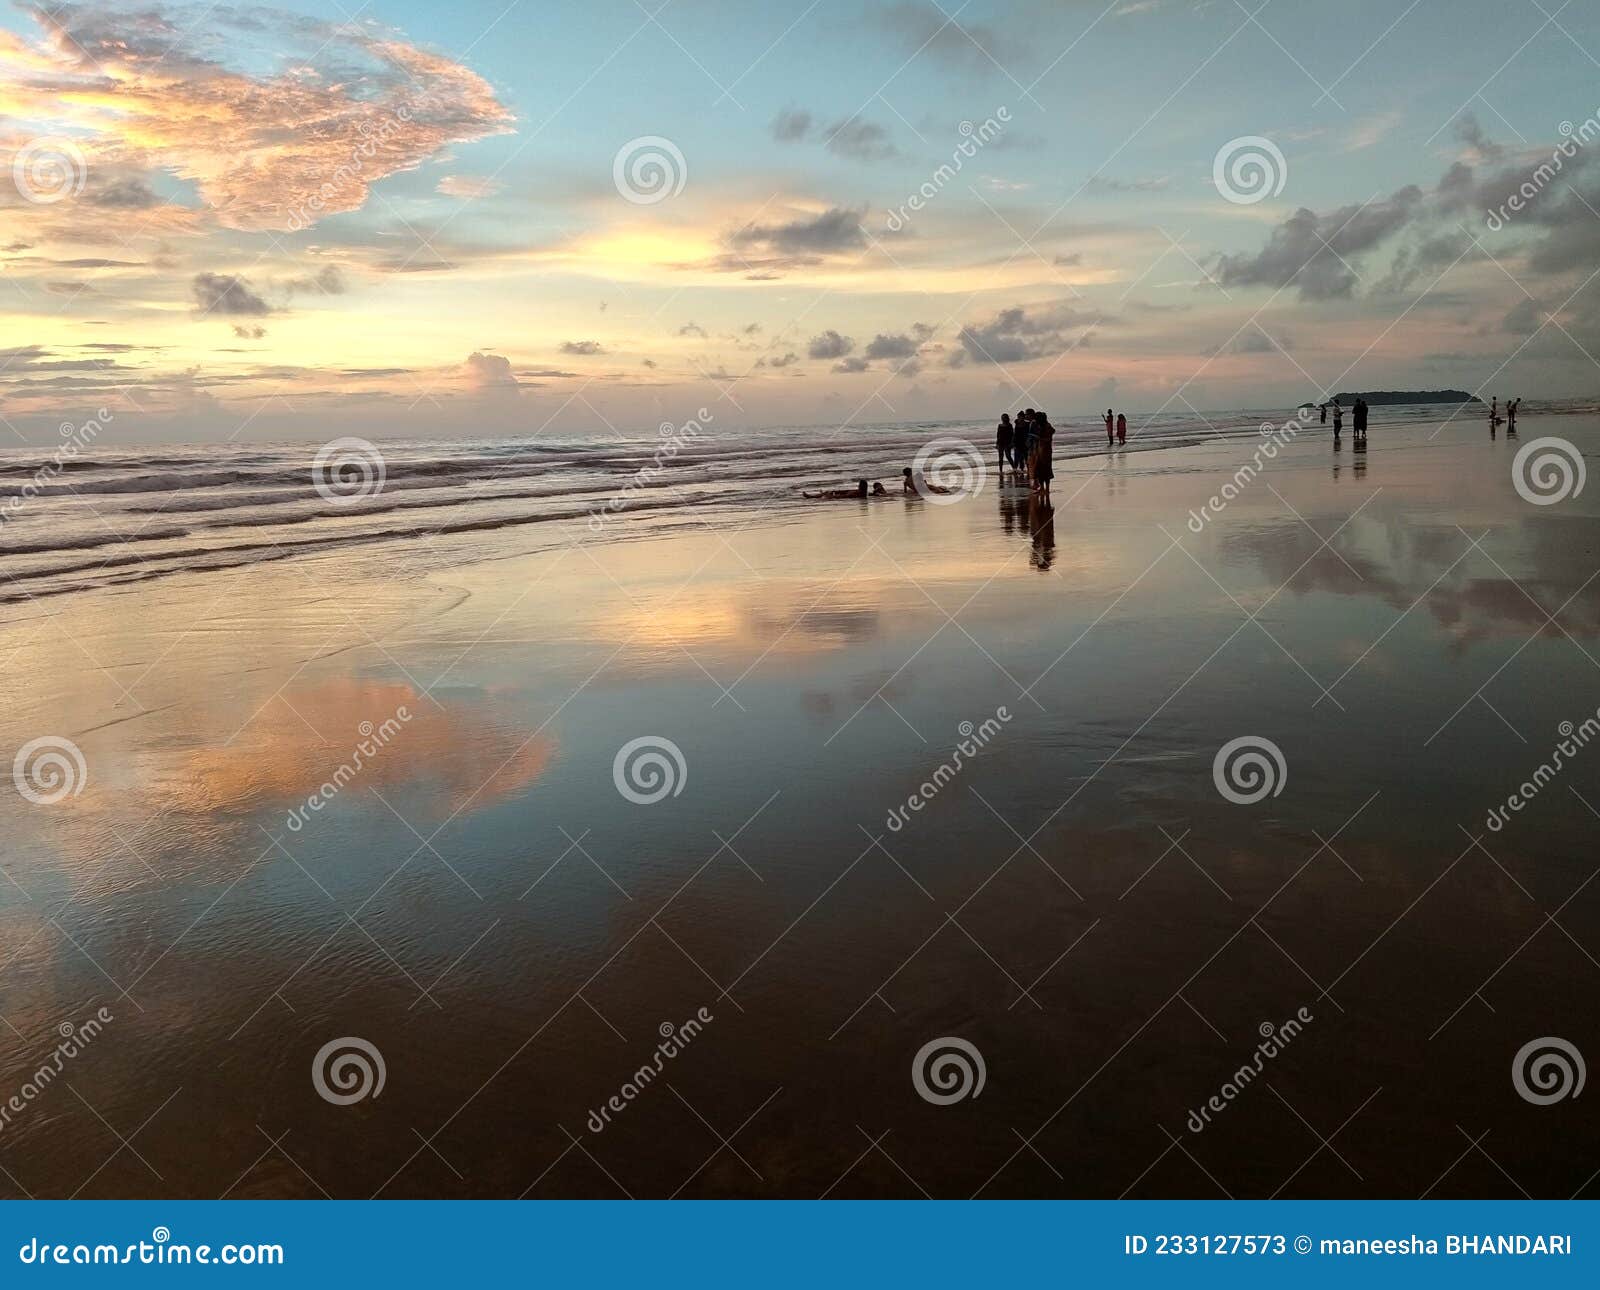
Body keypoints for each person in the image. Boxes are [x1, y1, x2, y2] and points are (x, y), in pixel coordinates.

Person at [1032, 411, 1055, 500]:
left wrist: (1039, 438)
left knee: (1046, 469)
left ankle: (1047, 489)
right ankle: (1042, 488)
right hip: (1040, 450)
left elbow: (1049, 438)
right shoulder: (1040, 426)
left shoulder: (1047, 426)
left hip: (1046, 451)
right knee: (1038, 469)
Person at [803, 478, 883, 499]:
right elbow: (846, 492)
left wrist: (833, 496)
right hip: (842, 494)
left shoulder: (858, 493)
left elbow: (845, 496)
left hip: (840, 496)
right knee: (828, 492)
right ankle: (812, 496)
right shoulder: (863, 493)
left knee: (827, 493)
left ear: (861, 486)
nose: (858, 486)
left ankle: (811, 496)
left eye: (859, 485)